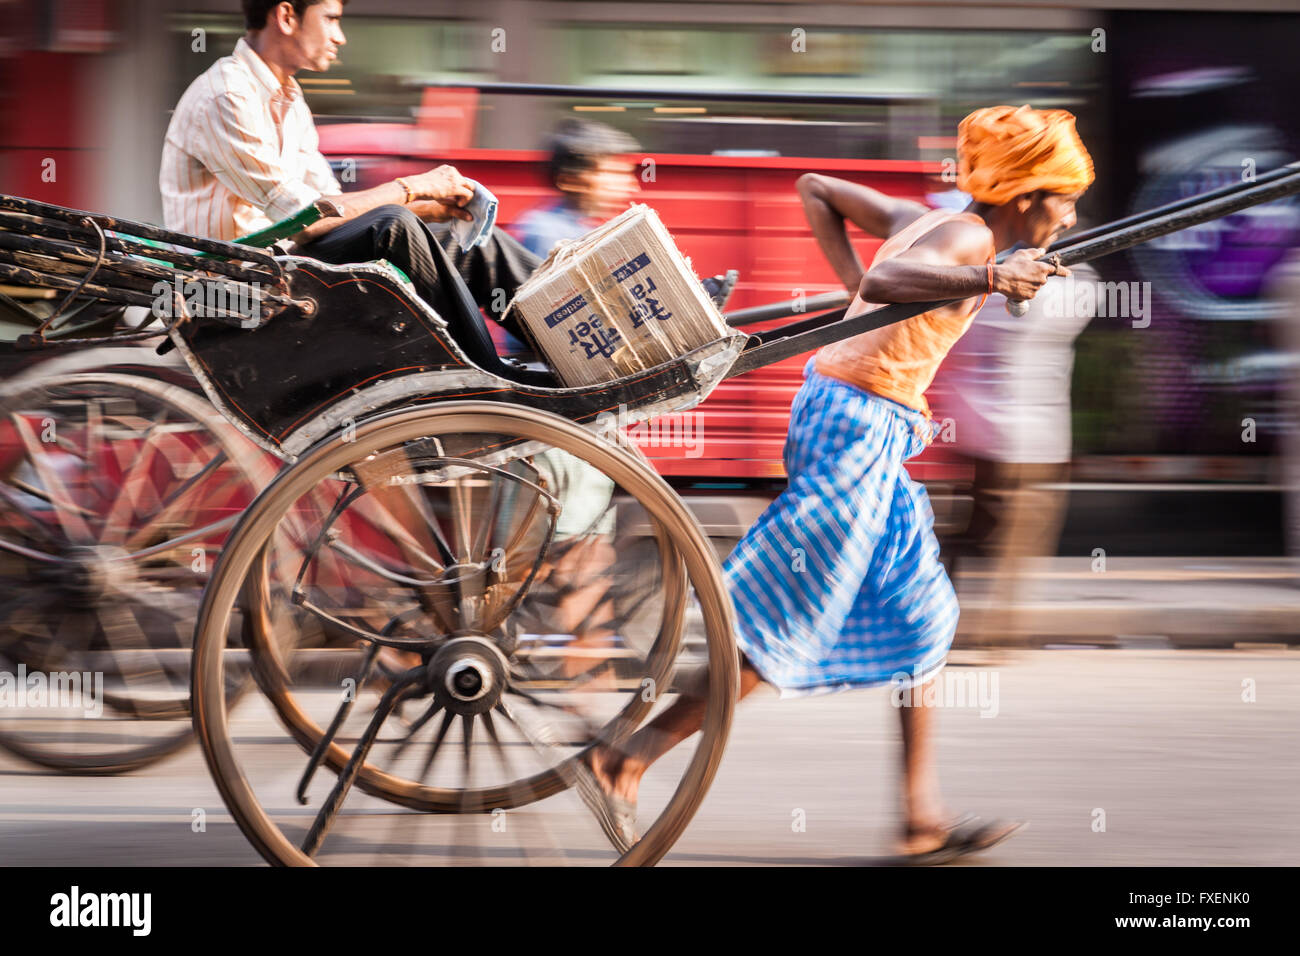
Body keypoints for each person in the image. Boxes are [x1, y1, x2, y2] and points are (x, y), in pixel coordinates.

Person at [578, 105, 1095, 863]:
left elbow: (815, 186)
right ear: (1024, 197)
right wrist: (980, 274)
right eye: (1065, 198)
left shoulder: (924, 217)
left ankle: (920, 818)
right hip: (853, 429)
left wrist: (853, 285)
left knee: (924, 618)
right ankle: (626, 756)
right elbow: (886, 277)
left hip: (868, 428)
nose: (1071, 215)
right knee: (792, 620)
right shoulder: (970, 237)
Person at [159, 0, 545, 381]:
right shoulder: (227, 96)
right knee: (393, 225)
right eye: (330, 19)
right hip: (241, 288)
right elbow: (306, 220)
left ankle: (573, 335)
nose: (339, 37)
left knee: (475, 245)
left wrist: (431, 206)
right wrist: (414, 187)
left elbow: (334, 208)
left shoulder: (287, 100)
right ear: (287, 16)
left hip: (288, 267)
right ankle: (485, 376)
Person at [930, 255, 1100, 655]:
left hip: (974, 431)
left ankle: (941, 625)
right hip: (1032, 439)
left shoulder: (979, 280)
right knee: (1015, 544)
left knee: (968, 536)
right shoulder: (1073, 282)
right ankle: (993, 636)